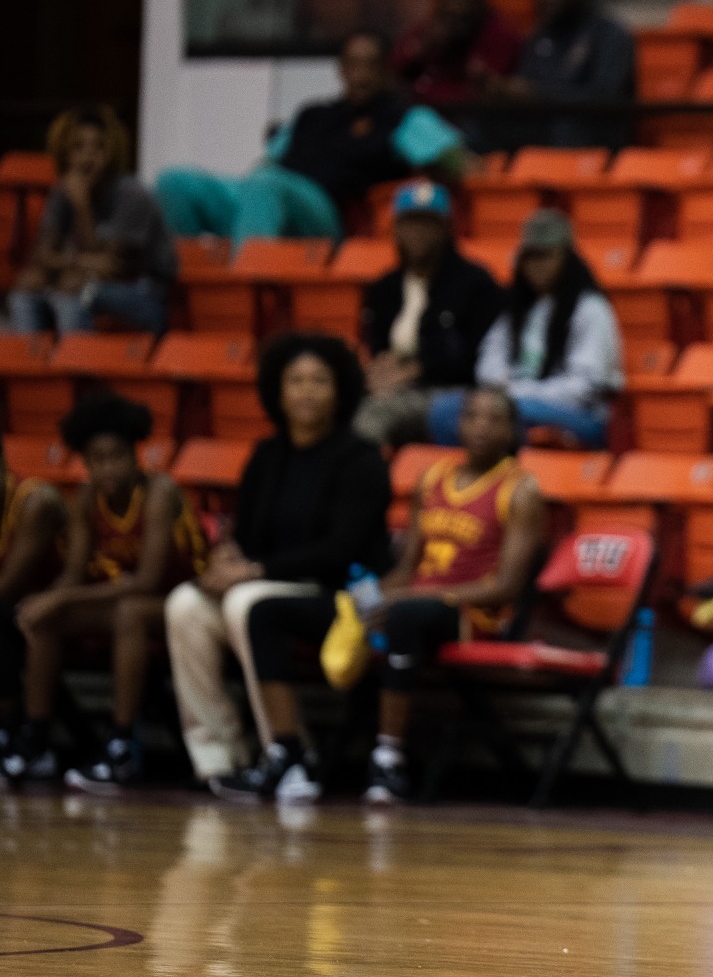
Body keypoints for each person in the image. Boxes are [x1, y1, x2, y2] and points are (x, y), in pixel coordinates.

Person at [246, 386, 544, 804]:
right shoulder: (433, 479)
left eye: (494, 419)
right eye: (473, 416)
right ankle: (286, 750)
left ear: (512, 430)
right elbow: (406, 570)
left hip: (474, 615)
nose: (481, 427)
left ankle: (388, 761)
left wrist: (405, 600)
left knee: (405, 617)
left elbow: (505, 586)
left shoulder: (521, 490)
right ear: (458, 424)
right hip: (413, 603)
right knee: (267, 613)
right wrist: (364, 597)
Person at [164, 333, 390, 800]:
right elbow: (248, 535)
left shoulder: (360, 459)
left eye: (319, 381)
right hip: (272, 583)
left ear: (341, 390)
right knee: (185, 604)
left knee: (247, 602)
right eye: (296, 381)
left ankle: (286, 756)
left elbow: (341, 549)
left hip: (344, 592)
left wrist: (253, 571)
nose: (306, 391)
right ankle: (218, 758)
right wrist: (226, 561)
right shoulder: (268, 456)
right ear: (277, 390)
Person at [6, 394, 207, 792]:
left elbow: (149, 579)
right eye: (96, 460)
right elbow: (75, 574)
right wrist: (49, 599)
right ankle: (37, 738)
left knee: (127, 612)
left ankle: (121, 744)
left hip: (188, 599)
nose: (107, 467)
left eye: (116, 456)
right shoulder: (86, 499)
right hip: (132, 601)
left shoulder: (159, 492)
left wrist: (61, 598)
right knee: (48, 620)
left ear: (136, 455)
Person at [156, 32, 469, 244]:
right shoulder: (311, 114)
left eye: (370, 65)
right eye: (353, 65)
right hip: (267, 195)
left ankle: (245, 286)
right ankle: (186, 288)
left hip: (324, 212)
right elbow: (269, 162)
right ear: (341, 70)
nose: (360, 75)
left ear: (385, 71)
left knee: (268, 185)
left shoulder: (402, 117)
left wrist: (438, 169)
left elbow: (455, 157)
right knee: (175, 182)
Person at [430, 209, 623, 450]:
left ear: (567, 258)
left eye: (546, 256)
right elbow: (489, 361)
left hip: (577, 414)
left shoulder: (591, 309)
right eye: (530, 257)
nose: (537, 265)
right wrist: (505, 392)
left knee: (499, 421)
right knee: (443, 412)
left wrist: (519, 394)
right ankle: (477, 482)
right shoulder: (517, 307)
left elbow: (586, 387)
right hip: (514, 401)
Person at [352, 181, 505, 449]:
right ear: (396, 229)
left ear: (446, 229)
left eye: (428, 224)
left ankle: (362, 488)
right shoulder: (385, 287)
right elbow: (376, 344)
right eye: (410, 223)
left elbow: (480, 356)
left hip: (452, 391)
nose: (418, 233)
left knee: (374, 416)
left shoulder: (474, 282)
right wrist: (378, 371)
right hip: (392, 389)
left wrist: (417, 371)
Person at [8, 105, 175, 335]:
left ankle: (76, 367)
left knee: (74, 288)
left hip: (145, 293)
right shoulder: (63, 191)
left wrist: (82, 206)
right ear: (64, 152)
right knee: (26, 286)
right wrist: (73, 262)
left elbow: (111, 268)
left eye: (99, 148)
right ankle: (28, 367)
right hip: (90, 280)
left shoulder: (130, 193)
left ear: (112, 152)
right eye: (78, 147)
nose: (88, 157)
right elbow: (42, 255)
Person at [0, 398, 64, 788]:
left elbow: (8, 583)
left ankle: (21, 735)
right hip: (16, 608)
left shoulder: (34, 500)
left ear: (5, 465)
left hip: (60, 601)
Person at [499, 0, 634, 111]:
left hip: (587, 130)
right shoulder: (540, 36)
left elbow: (606, 100)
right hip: (540, 130)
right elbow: (525, 86)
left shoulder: (609, 35)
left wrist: (540, 96)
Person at [392, 0, 525, 104]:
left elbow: (505, 90)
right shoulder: (428, 31)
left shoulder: (501, 34)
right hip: (424, 114)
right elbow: (395, 71)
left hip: (476, 116)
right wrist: (424, 47)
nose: (458, 6)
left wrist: (485, 78)